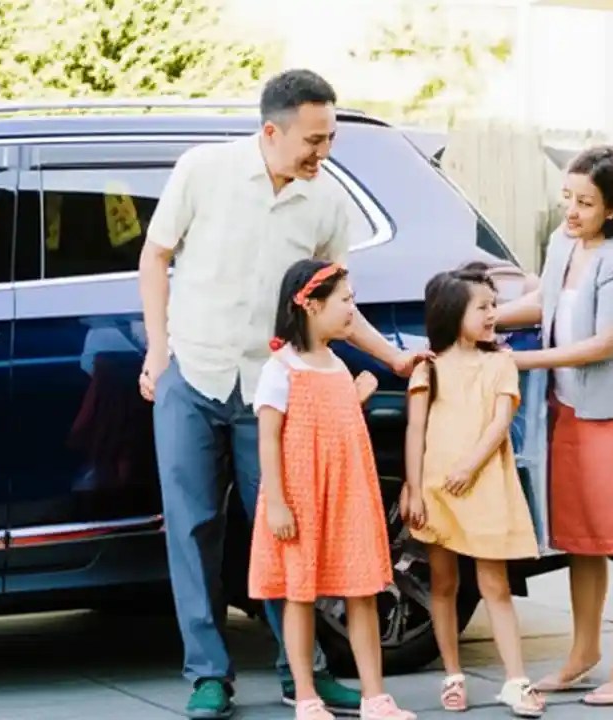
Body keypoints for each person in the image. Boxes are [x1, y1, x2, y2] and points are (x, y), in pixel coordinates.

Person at [138, 68, 428, 719]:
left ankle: (305, 675)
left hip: (275, 388)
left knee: (286, 531)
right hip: (195, 375)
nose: (323, 153)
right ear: (273, 130)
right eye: (314, 139)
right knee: (192, 529)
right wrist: (159, 353)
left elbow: (338, 307)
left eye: (330, 138)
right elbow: (154, 258)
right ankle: (208, 674)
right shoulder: (203, 171)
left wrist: (394, 358)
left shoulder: (326, 204)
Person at [495, 145, 613, 707]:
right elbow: (544, 301)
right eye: (567, 196)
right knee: (582, 544)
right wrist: (483, 320)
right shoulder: (563, 241)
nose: (571, 210)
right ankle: (582, 655)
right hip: (569, 413)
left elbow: (604, 343)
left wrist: (519, 362)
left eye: (586, 203)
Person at [248, 260, 416, 720]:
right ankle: (306, 695)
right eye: (345, 300)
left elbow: (333, 427)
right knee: (300, 595)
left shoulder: (337, 363)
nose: (351, 309)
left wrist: (356, 396)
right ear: (311, 305)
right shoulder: (280, 368)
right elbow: (270, 438)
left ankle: (374, 696)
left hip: (347, 497)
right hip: (303, 499)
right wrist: (278, 503)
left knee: (361, 590)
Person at [400, 268, 545, 717]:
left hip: (482, 486)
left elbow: (501, 422)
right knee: (443, 584)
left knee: (494, 585)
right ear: (451, 311)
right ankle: (453, 675)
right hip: (438, 489)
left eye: (493, 305)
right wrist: (413, 487)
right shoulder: (428, 368)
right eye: (481, 306)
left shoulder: (499, 362)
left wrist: (470, 466)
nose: (491, 314)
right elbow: (416, 430)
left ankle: (516, 680)